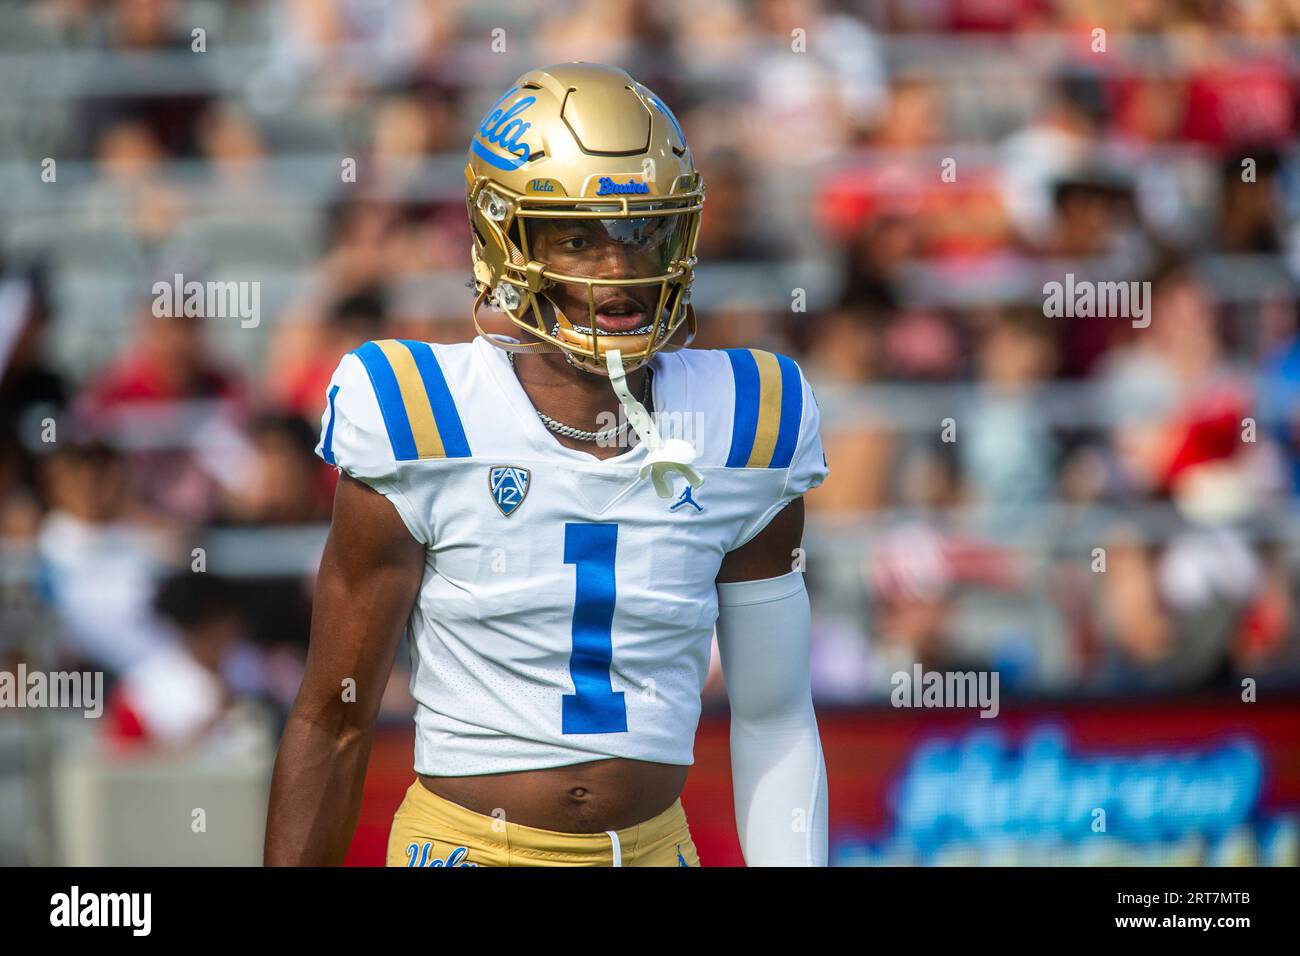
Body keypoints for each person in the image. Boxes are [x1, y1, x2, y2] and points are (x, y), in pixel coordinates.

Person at [264, 62, 829, 867]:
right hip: (468, 850)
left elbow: (774, 715)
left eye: (645, 230)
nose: (620, 266)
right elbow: (334, 714)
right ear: (506, 238)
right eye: (577, 235)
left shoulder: (749, 417)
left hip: (654, 850)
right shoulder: (419, 410)